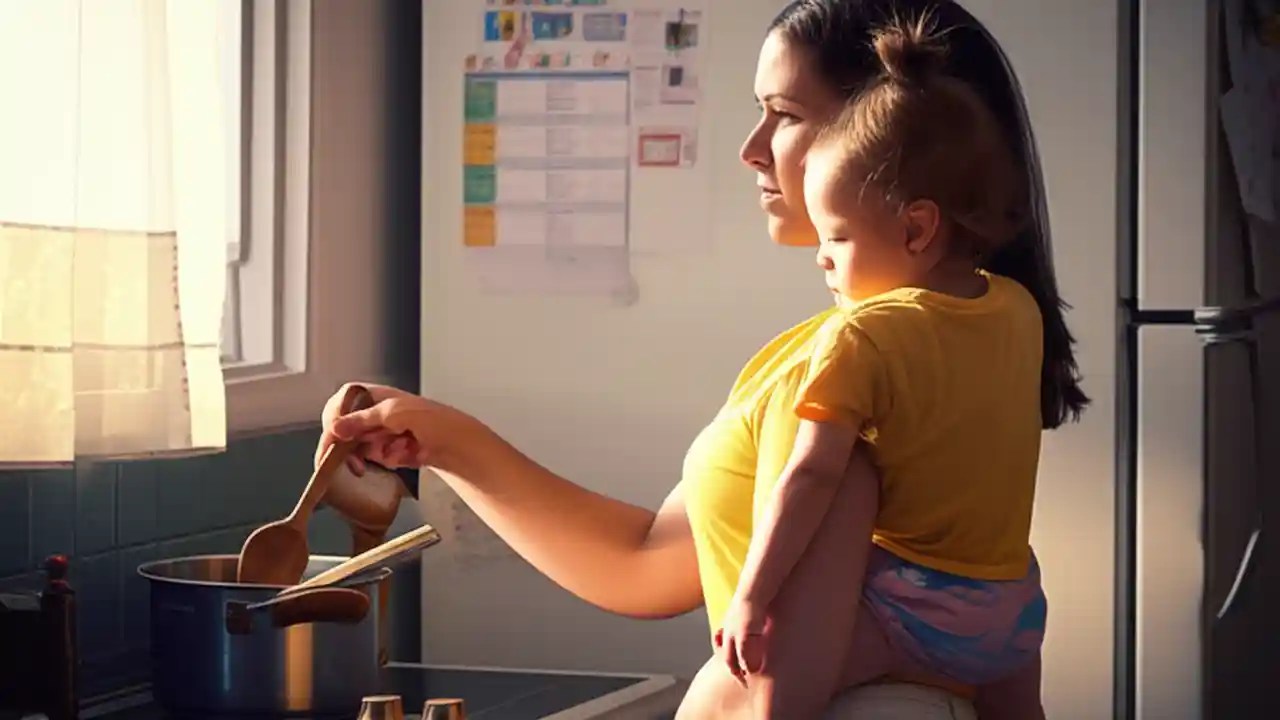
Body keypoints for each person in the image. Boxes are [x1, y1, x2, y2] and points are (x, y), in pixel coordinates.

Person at [314, 1, 1086, 717]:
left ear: (888, 138)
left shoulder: (849, 364)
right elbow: (647, 562)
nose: (752, 151)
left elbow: (792, 657)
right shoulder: (906, 344)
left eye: (783, 116)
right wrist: (443, 440)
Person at [712, 10, 1087, 720]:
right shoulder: (1017, 310)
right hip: (1013, 613)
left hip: (917, 610)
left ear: (916, 227)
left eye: (838, 236)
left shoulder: (860, 339)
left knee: (739, 699)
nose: (823, 256)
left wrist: (751, 599)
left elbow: (813, 474)